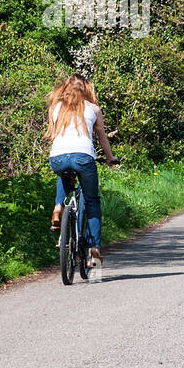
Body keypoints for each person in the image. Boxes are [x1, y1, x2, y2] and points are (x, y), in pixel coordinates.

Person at [47, 75, 117, 269]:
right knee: (92, 201)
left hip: (58, 157)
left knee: (64, 174)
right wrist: (110, 157)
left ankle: (58, 207)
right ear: (86, 89)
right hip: (83, 157)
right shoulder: (93, 109)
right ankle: (94, 251)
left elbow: (53, 134)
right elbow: (101, 135)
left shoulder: (56, 107)